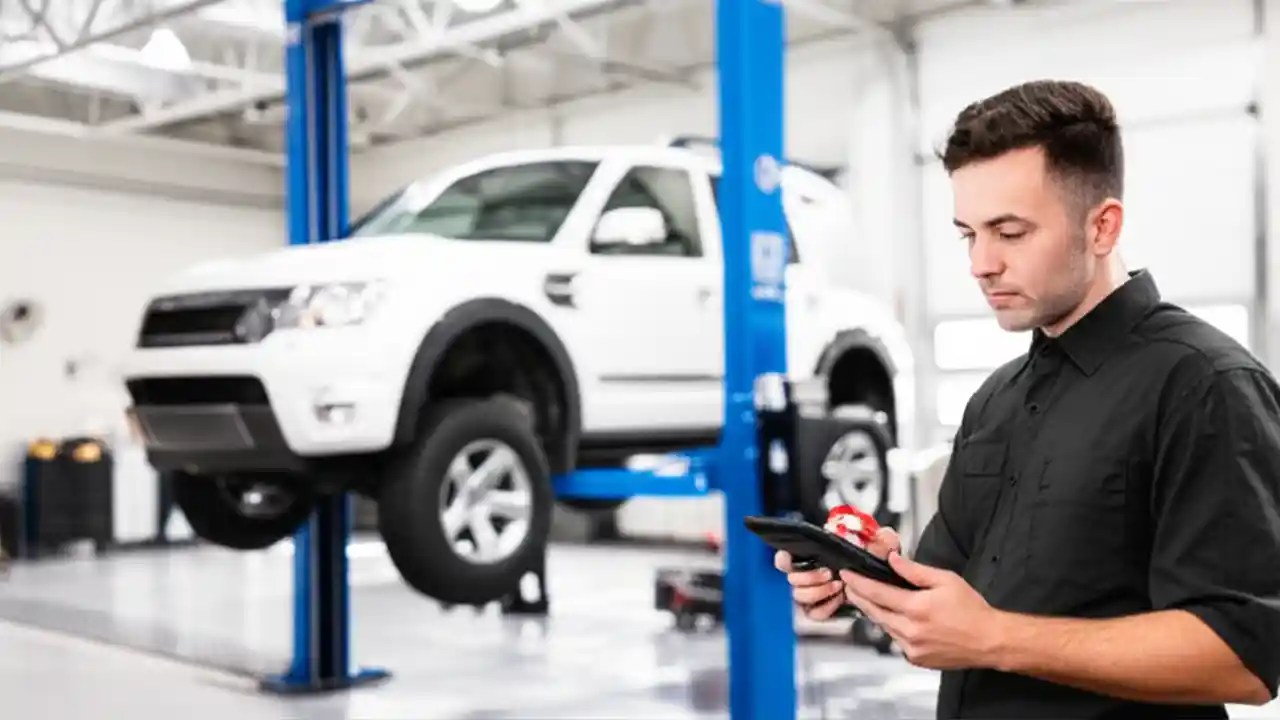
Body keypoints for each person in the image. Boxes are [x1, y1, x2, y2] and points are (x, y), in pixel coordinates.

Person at [776, 79, 1280, 719]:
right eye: (968, 234)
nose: (981, 263)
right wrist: (865, 579)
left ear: (1102, 226)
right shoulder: (996, 401)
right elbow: (949, 592)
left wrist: (994, 637)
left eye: (1009, 233)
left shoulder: (1205, 385)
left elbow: (1244, 655)